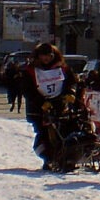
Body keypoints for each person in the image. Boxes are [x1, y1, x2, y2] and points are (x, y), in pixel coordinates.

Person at [20, 42, 79, 171]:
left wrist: (71, 92)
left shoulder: (62, 68)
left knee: (65, 130)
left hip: (60, 105)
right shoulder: (30, 70)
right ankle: (49, 158)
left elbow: (72, 82)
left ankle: (68, 157)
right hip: (38, 109)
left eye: (49, 56)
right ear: (38, 56)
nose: (47, 59)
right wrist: (41, 103)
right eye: (44, 56)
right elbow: (28, 90)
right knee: (45, 134)